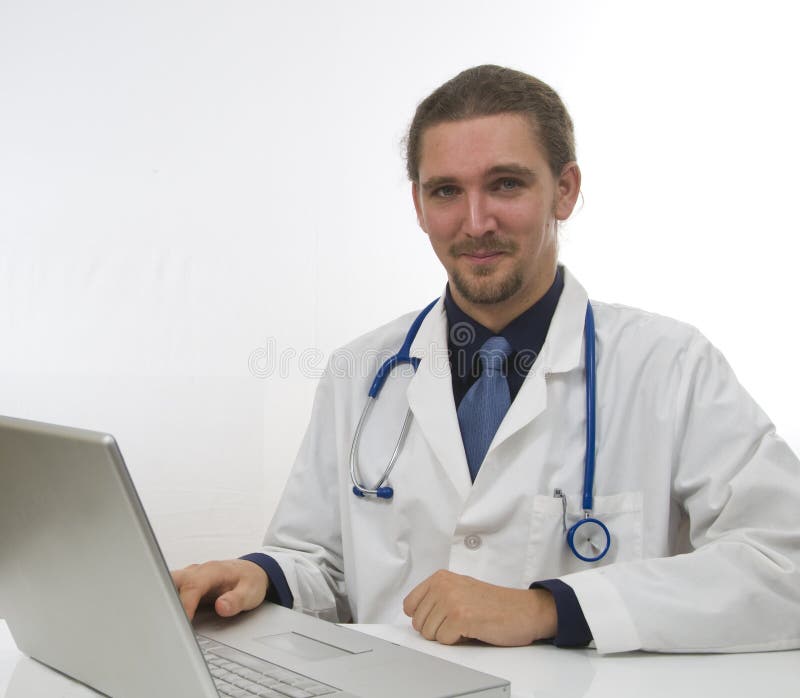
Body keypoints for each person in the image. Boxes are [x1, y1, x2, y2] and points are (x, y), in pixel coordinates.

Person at [172, 65, 800, 654]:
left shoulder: (670, 366)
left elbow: (785, 566)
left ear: (566, 190)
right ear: (418, 205)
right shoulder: (360, 372)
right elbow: (322, 564)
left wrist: (551, 609)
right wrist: (260, 575)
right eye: (446, 190)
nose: (475, 222)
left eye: (505, 184)